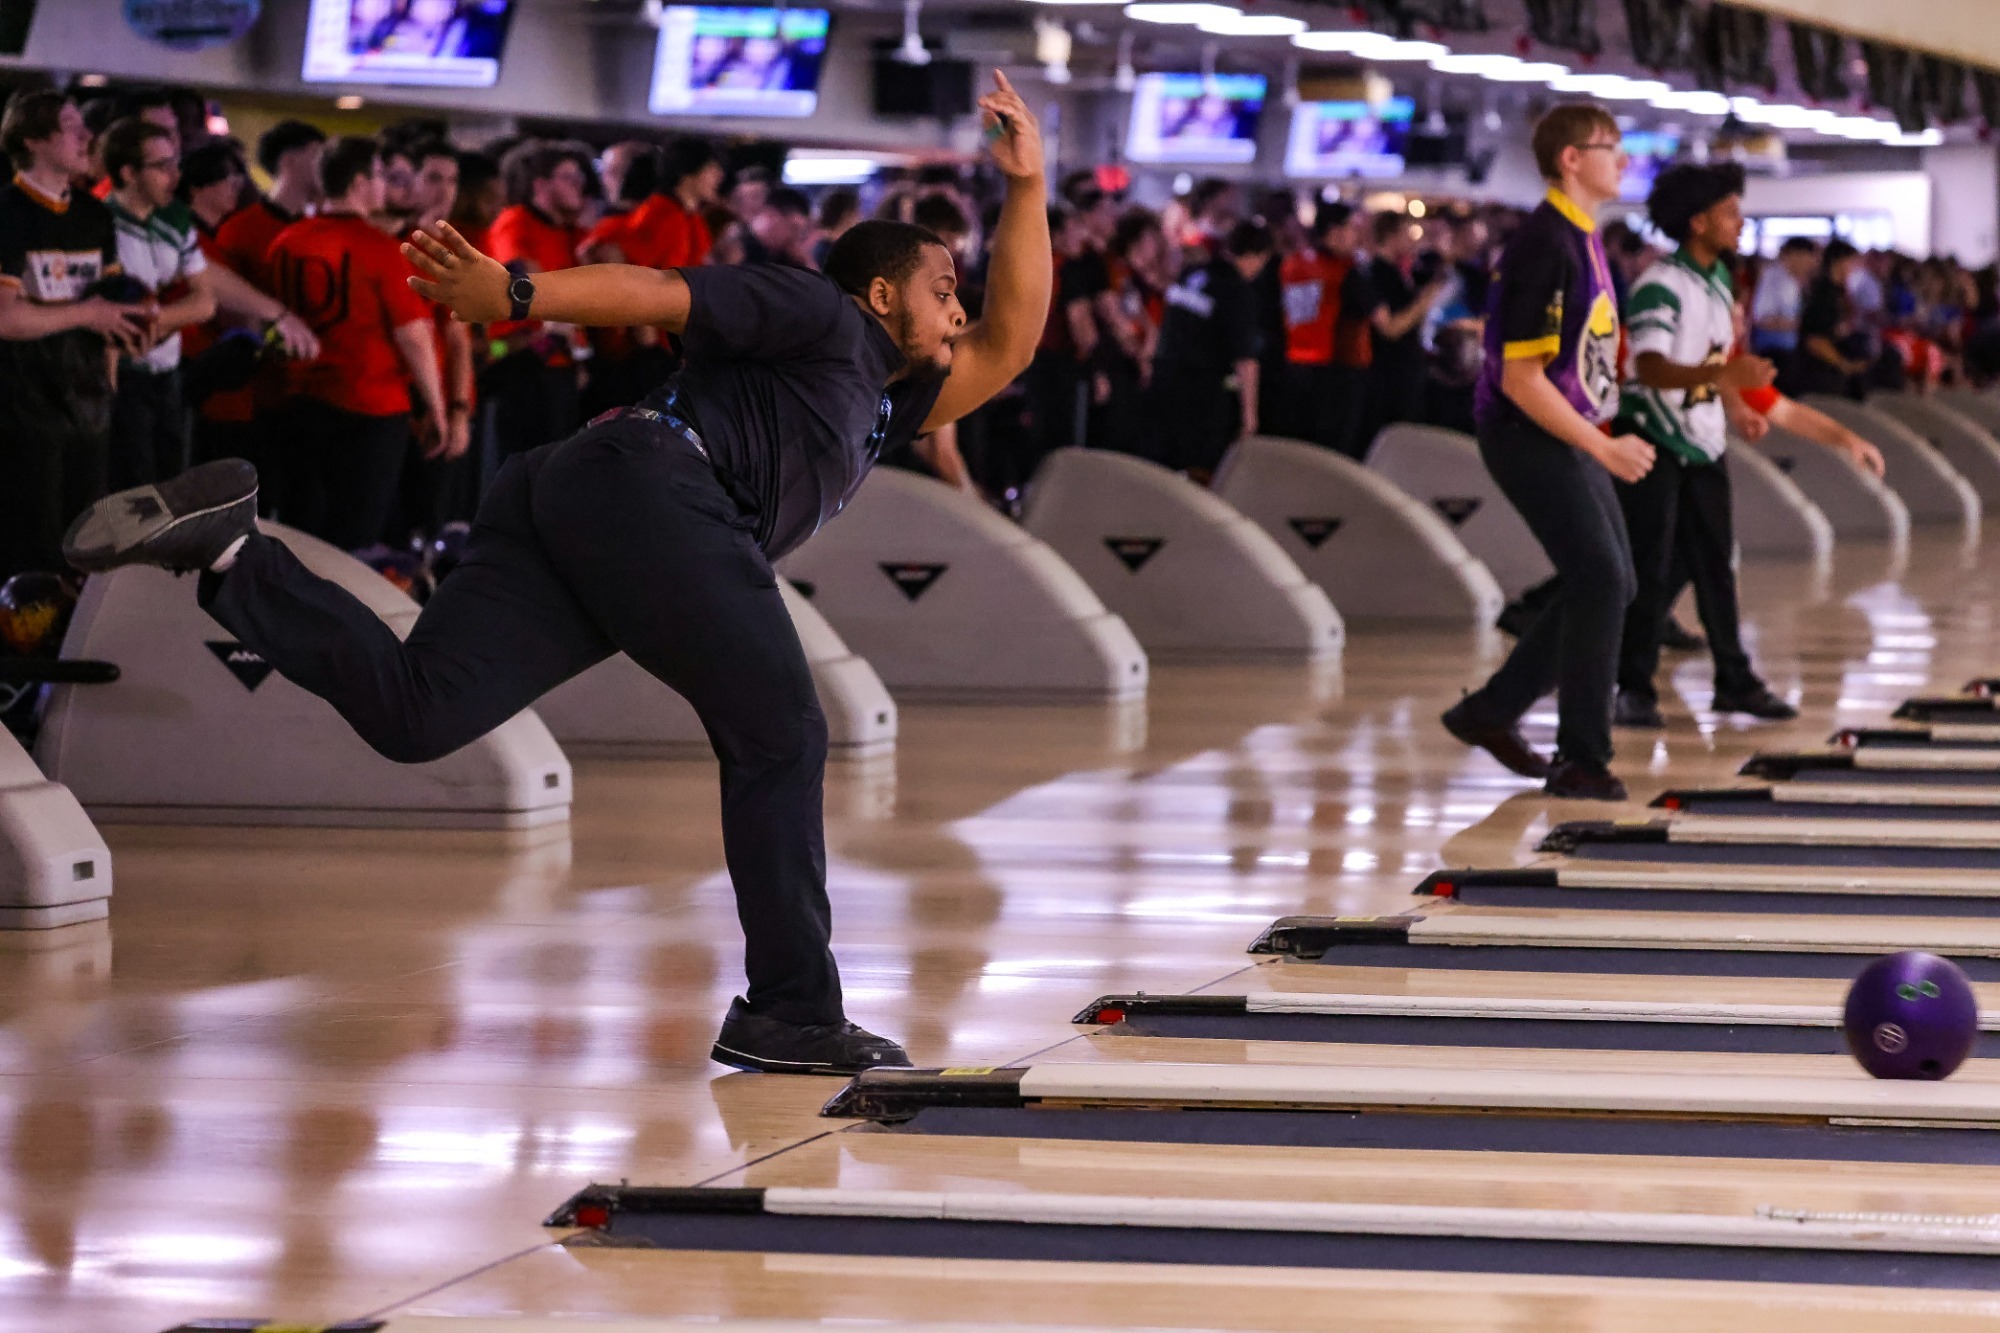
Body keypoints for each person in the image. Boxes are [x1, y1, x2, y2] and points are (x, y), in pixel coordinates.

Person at [65, 72, 1053, 1078]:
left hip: (587, 502)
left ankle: (227, 548)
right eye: (942, 288)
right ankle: (793, 1011)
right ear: (881, 293)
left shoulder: (884, 405)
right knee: (783, 731)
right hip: (656, 488)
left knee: (423, 712)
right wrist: (515, 297)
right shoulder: (815, 310)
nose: (958, 306)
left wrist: (1027, 185)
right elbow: (661, 293)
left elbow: (1011, 342)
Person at [1439, 103, 1652, 802]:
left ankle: (1491, 710)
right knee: (1597, 575)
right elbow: (1520, 378)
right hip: (1528, 431)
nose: (1622, 159)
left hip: (1567, 429)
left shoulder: (1584, 240)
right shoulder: (1545, 246)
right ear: (1571, 158)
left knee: (1613, 581)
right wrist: (1603, 445)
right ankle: (1581, 758)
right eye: (1610, 147)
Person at [1606, 162, 1793, 732]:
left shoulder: (1718, 283)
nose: (1741, 223)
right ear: (1698, 222)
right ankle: (1631, 687)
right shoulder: (1661, 284)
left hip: (1701, 443)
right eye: (1731, 212)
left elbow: (1712, 365)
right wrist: (1728, 376)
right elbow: (1653, 368)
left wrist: (1735, 405)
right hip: (1652, 440)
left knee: (1716, 566)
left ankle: (1734, 679)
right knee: (1650, 569)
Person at [265, 136, 447, 549]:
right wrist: (436, 407)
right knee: (355, 536)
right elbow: (414, 337)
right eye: (382, 175)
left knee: (301, 531)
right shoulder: (379, 249)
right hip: (370, 407)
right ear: (361, 181)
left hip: (298, 401)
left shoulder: (286, 242)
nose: (386, 185)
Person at [0, 89, 150, 584]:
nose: (87, 136)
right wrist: (89, 312)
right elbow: (5, 317)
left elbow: (109, 303)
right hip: (24, 405)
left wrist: (124, 339)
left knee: (85, 546)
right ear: (33, 139)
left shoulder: (94, 213)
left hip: (88, 403)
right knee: (34, 551)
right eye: (70, 126)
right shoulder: (11, 211)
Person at [102, 117, 217, 491]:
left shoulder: (176, 220)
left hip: (168, 373)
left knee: (171, 483)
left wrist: (151, 319)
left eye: (175, 163)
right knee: (130, 488)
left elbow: (205, 301)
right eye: (162, 166)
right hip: (124, 377)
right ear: (128, 172)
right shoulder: (100, 224)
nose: (174, 176)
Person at [486, 140, 590, 460]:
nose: (580, 185)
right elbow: (522, 274)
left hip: (560, 363)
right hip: (516, 354)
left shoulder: (571, 233)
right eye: (568, 177)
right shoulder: (516, 221)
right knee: (526, 464)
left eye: (580, 177)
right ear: (541, 185)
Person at [1141, 219, 1270, 476]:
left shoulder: (1192, 274)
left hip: (1163, 380)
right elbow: (1245, 360)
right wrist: (1250, 417)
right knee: (1201, 466)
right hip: (1201, 393)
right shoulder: (1237, 291)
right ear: (1255, 256)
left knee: (1160, 465)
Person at [1279, 201, 1372, 457]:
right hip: (1334, 371)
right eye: (1353, 228)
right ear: (1334, 231)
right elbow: (1370, 314)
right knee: (1333, 452)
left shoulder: (1292, 263)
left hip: (1293, 365)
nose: (1358, 236)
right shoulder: (1345, 270)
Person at [1787, 239, 1869, 398]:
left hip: (1828, 375)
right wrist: (1844, 364)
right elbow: (1815, 339)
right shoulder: (1824, 295)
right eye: (1852, 262)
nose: (1855, 268)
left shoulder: (1837, 293)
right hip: (1819, 378)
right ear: (1839, 261)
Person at [1750, 236, 1816, 359]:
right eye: (1808, 258)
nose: (1810, 264)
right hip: (1773, 351)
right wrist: (1804, 325)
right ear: (1794, 255)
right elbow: (1761, 318)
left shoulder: (1799, 281)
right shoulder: (1774, 278)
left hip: (1791, 351)